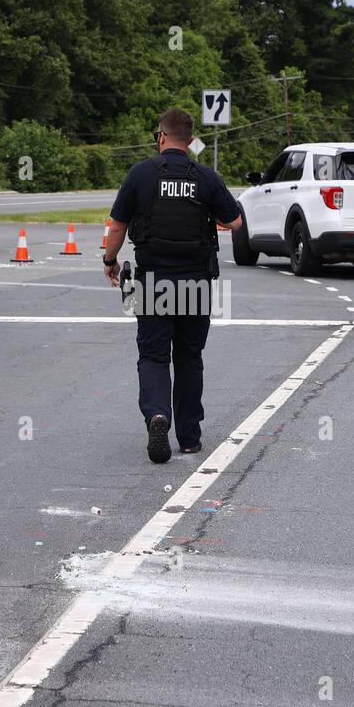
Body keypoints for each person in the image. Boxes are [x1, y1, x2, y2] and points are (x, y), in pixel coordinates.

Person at [104, 108, 242, 464]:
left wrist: (110, 261)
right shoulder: (206, 177)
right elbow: (236, 221)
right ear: (190, 139)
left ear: (161, 137)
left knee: (152, 356)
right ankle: (190, 438)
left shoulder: (140, 175)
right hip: (195, 282)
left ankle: (157, 415)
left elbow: (118, 225)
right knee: (188, 358)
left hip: (151, 282)